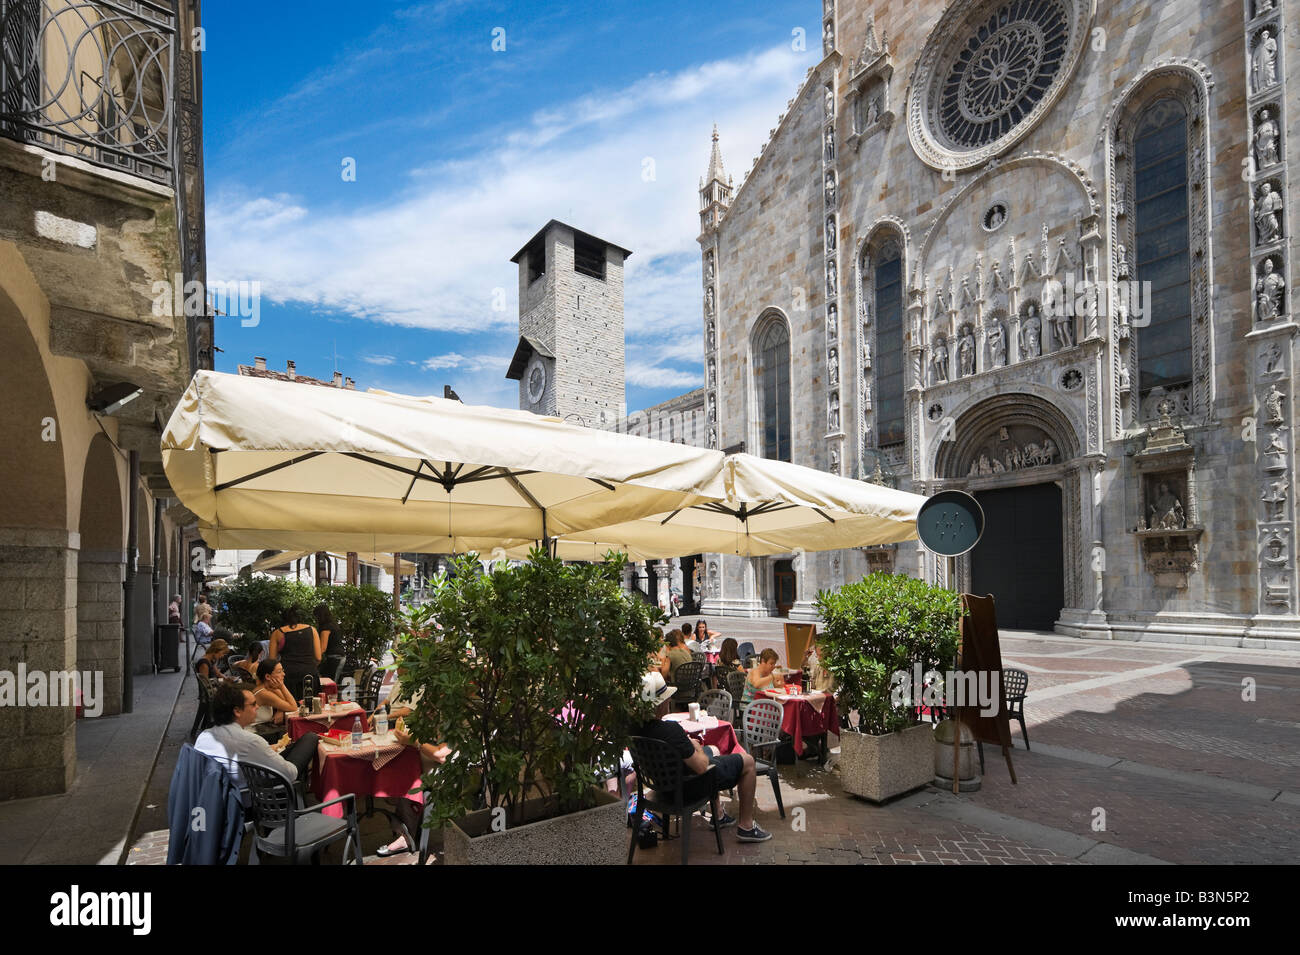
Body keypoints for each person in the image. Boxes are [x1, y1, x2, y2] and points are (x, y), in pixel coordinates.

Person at [635, 674, 771, 843]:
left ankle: (718, 815)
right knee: (748, 761)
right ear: (662, 703)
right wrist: (696, 746)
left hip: (661, 787)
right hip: (688, 788)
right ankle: (747, 826)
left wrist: (693, 747)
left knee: (713, 749)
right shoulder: (671, 731)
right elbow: (700, 766)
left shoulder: (635, 728)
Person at [196, 683, 319, 786]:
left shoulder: (204, 736)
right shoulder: (250, 741)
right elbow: (290, 774)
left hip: (221, 790)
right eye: (253, 704)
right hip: (256, 794)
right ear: (237, 711)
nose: (258, 707)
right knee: (311, 738)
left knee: (301, 742)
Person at [268, 606, 321, 700]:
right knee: (311, 707)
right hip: (309, 673)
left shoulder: (277, 633)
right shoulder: (312, 630)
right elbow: (318, 657)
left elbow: (272, 661)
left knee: (292, 707)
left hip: (288, 676)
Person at [253, 659, 300, 727]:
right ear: (268, 677)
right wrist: (282, 686)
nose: (283, 674)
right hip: (256, 731)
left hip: (263, 729)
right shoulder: (263, 693)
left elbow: (285, 701)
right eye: (279, 672)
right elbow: (293, 707)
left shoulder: (268, 688)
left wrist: (280, 710)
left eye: (282, 670)